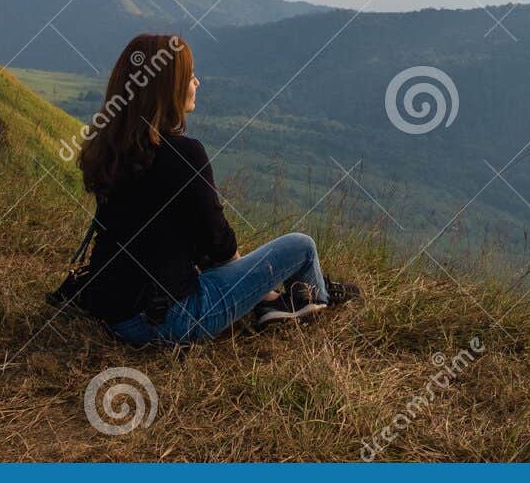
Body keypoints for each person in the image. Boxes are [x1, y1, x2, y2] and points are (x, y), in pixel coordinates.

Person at [72, 32, 358, 343]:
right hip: (166, 320)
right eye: (190, 76)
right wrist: (256, 282)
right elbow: (219, 245)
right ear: (168, 87)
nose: (197, 83)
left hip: (110, 311)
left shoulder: (109, 149)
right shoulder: (185, 153)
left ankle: (274, 303)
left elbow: (172, 237)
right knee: (301, 246)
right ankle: (314, 297)